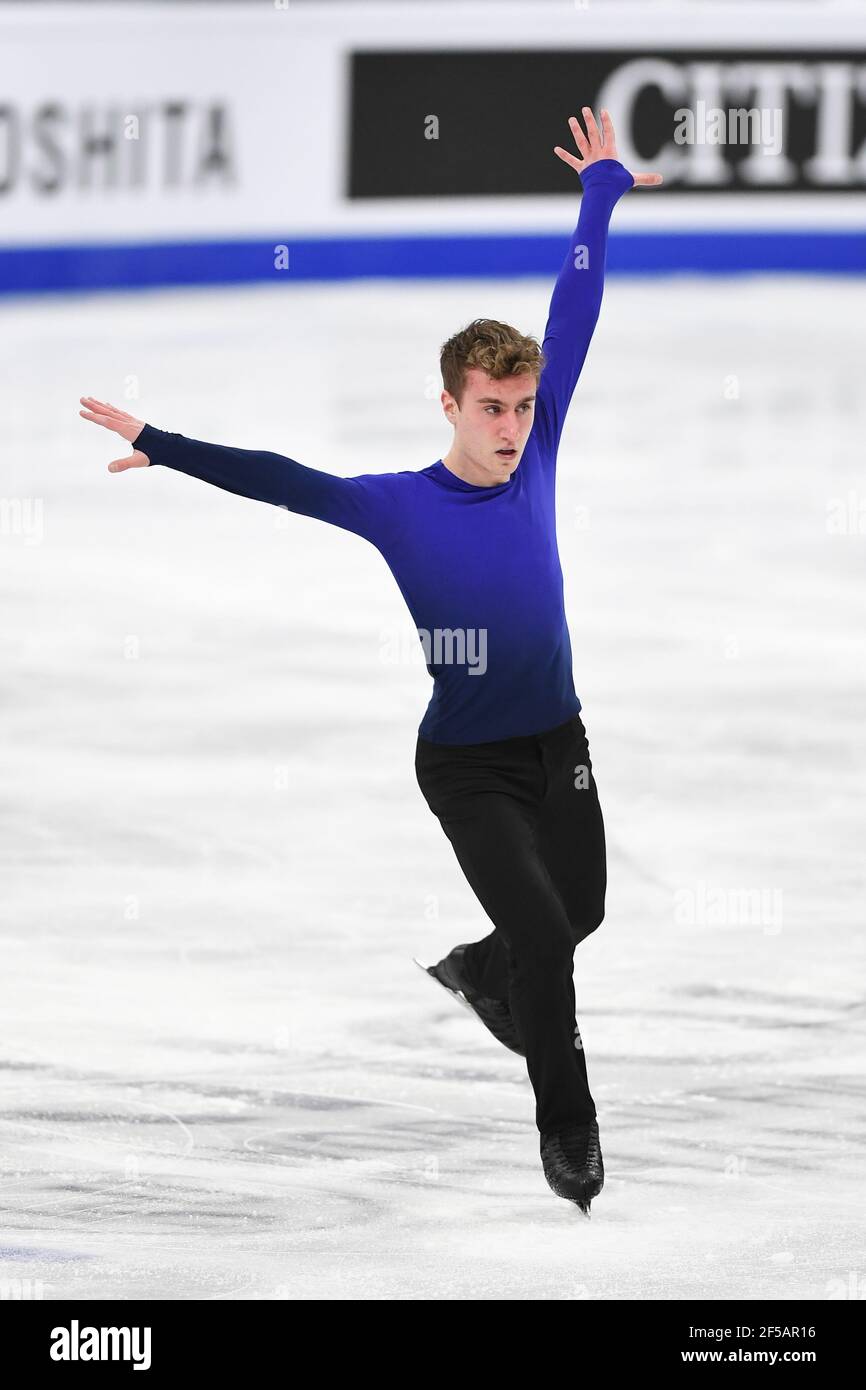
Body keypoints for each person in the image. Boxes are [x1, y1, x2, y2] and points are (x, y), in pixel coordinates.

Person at [79, 108, 661, 1214]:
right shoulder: (395, 507)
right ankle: (568, 1131)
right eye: (490, 408)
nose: (509, 427)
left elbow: (573, 307)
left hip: (557, 740)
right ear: (449, 403)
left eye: (523, 406)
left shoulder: (537, 451)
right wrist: (165, 444)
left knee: (574, 918)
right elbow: (284, 478)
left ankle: (485, 974)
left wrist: (599, 192)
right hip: (466, 764)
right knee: (548, 933)